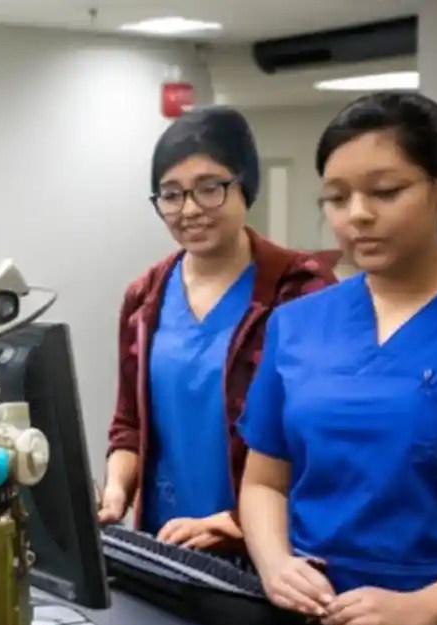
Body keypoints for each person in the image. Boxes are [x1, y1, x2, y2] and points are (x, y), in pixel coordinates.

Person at [238, 90, 437, 625]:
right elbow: (265, 482)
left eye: (385, 192)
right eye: (336, 199)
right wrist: (275, 562)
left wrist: (426, 609)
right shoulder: (299, 324)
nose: (356, 215)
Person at [99, 106, 335, 550]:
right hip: (164, 542)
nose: (189, 210)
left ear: (245, 186)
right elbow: (129, 424)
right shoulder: (144, 297)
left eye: (210, 189)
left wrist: (238, 521)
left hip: (266, 549)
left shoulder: (301, 290)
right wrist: (115, 491)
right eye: (170, 194)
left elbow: (324, 442)